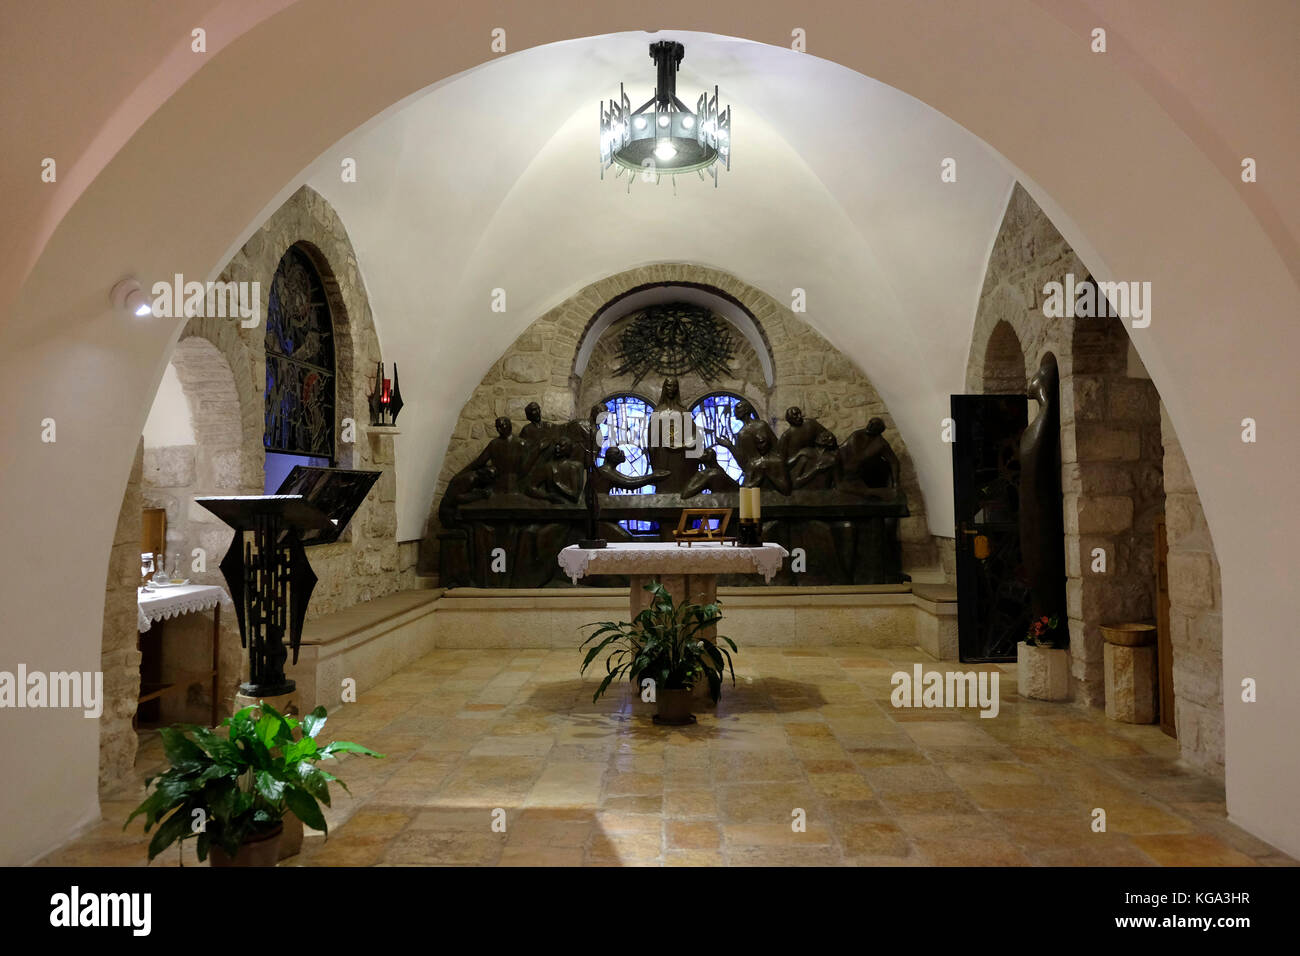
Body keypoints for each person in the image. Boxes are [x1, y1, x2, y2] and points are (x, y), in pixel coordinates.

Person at [468, 416, 525, 493]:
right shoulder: (494, 444)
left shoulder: (522, 443)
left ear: (509, 425)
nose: (499, 430)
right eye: (497, 427)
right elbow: (479, 462)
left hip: (517, 484)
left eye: (501, 426)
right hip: (498, 483)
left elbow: (528, 466)